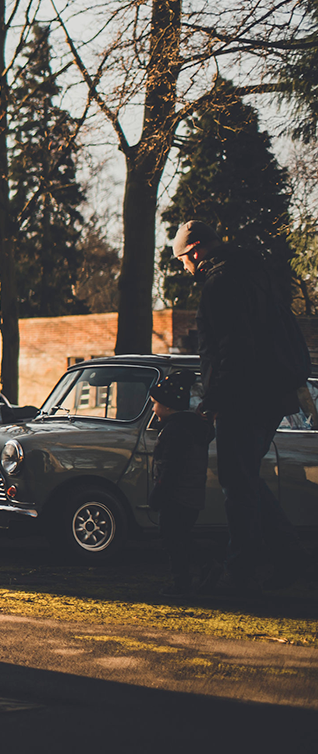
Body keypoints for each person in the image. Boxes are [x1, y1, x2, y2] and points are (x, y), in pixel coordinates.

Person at [173, 220, 310, 592]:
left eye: (183, 258)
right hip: (273, 395)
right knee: (244, 477)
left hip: (243, 398)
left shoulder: (219, 284)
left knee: (236, 481)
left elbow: (230, 350)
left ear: (196, 250)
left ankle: (243, 570)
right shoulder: (255, 273)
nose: (183, 267)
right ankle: (286, 557)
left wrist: (214, 400)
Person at [147, 371, 218, 597]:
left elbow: (171, 468)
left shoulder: (175, 432)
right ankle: (203, 566)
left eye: (155, 404)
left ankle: (184, 582)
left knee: (172, 539)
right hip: (191, 496)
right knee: (179, 536)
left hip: (176, 497)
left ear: (167, 406)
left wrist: (158, 494)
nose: (153, 409)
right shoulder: (190, 428)